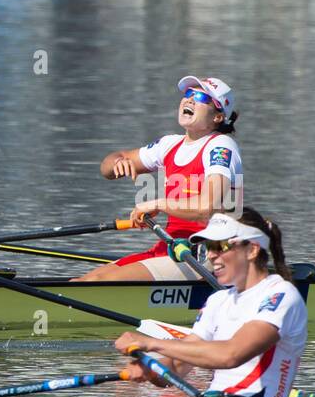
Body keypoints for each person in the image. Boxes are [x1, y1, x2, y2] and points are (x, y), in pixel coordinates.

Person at [88, 209, 305, 397]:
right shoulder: (218, 300)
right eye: (208, 247)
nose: (211, 256)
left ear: (252, 249)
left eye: (219, 246)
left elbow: (230, 355)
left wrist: (151, 342)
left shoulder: (281, 295)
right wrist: (149, 366)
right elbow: (177, 367)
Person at [75, 76, 243, 282]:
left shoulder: (221, 146)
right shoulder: (168, 144)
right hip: (175, 247)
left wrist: (158, 204)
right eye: (188, 94)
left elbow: (206, 206)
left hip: (211, 252)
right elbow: (106, 168)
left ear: (217, 117)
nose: (189, 100)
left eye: (200, 96)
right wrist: (118, 162)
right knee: (82, 282)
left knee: (98, 283)